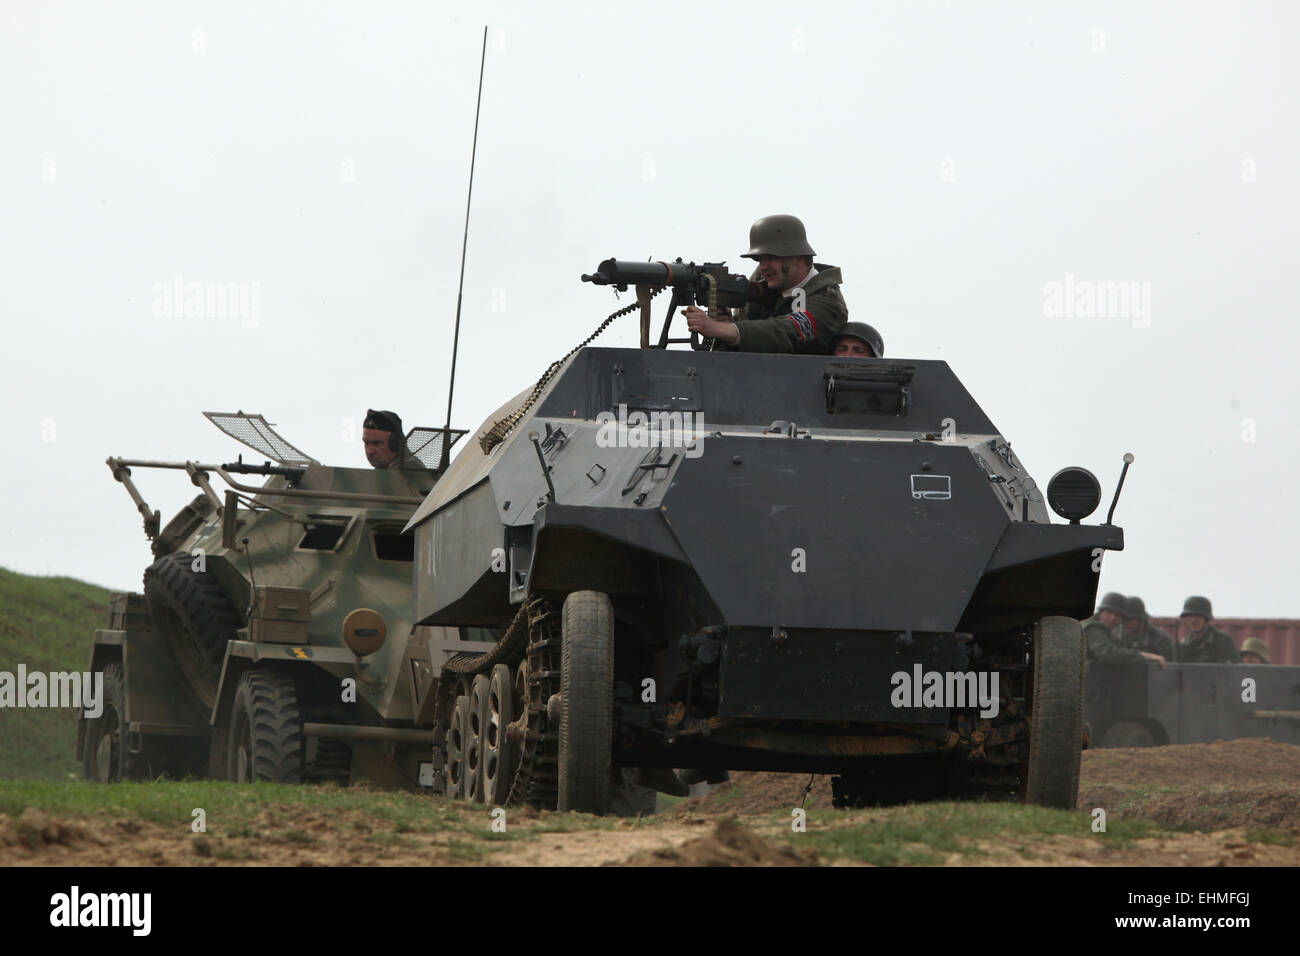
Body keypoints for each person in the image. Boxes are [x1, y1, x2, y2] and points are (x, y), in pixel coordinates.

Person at [683, 214, 849, 353]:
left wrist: (719, 328)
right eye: (760, 259)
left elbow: (787, 331)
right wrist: (727, 322)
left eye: (771, 258)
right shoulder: (763, 283)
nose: (763, 267)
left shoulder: (827, 301)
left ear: (799, 257)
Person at [1083, 592, 1165, 667]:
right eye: (1109, 612)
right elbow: (1108, 654)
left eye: (1118, 615)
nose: (1112, 618)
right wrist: (1145, 656)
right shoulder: (1092, 627)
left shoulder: (1107, 631)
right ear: (1101, 612)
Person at [1176, 596, 1239, 663]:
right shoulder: (1183, 646)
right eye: (1190, 616)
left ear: (1206, 619)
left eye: (1197, 616)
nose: (1193, 620)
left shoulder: (1223, 642)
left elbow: (1232, 669)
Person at [1119, 595, 1174, 661]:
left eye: (1129, 619)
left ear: (1140, 619)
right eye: (1123, 619)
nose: (1125, 622)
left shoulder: (1160, 639)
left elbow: (1169, 667)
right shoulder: (1116, 635)